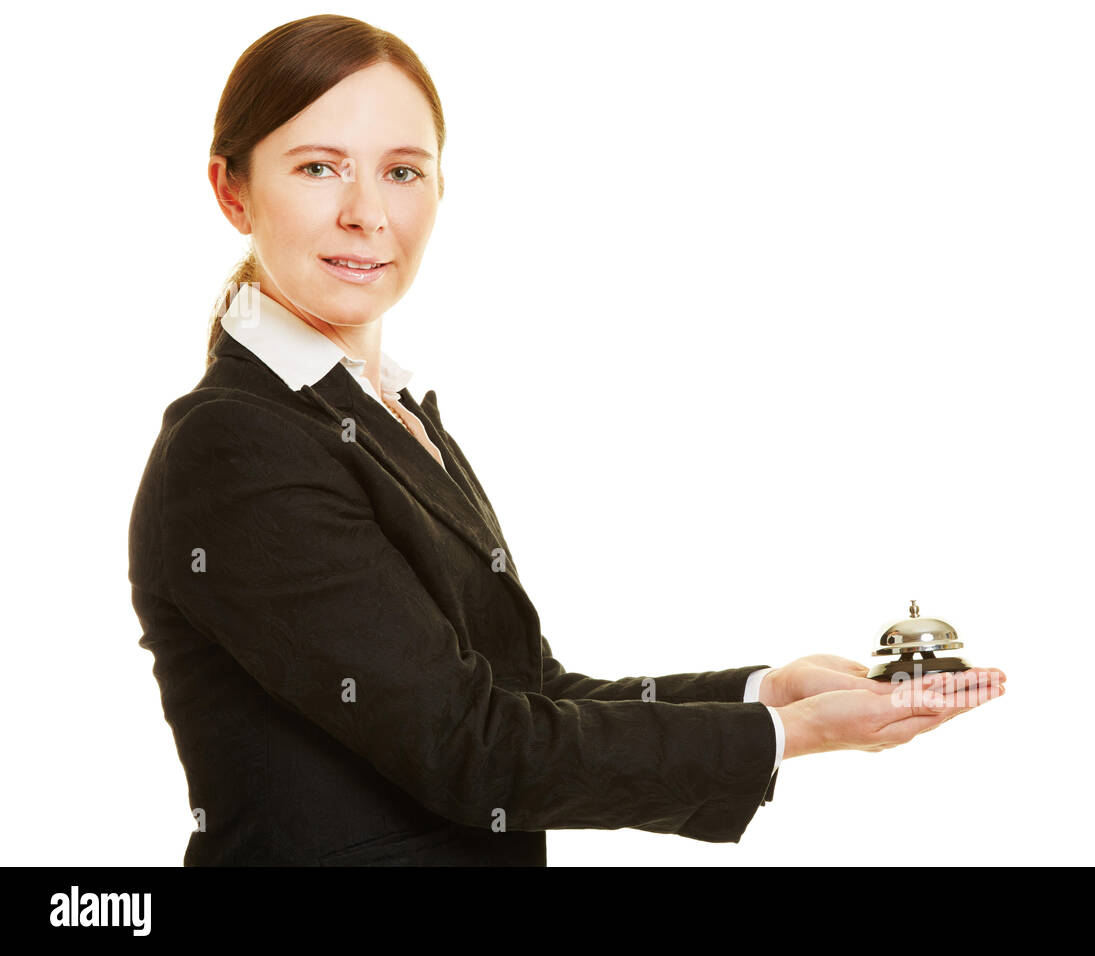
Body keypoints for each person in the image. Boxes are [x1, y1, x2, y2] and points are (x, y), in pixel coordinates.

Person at [127, 13, 1006, 866]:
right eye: (319, 167)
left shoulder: (383, 414)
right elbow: (478, 747)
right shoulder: (237, 446)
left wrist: (763, 693)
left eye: (403, 170)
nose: (367, 212)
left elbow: (522, 696)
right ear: (231, 190)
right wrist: (786, 736)